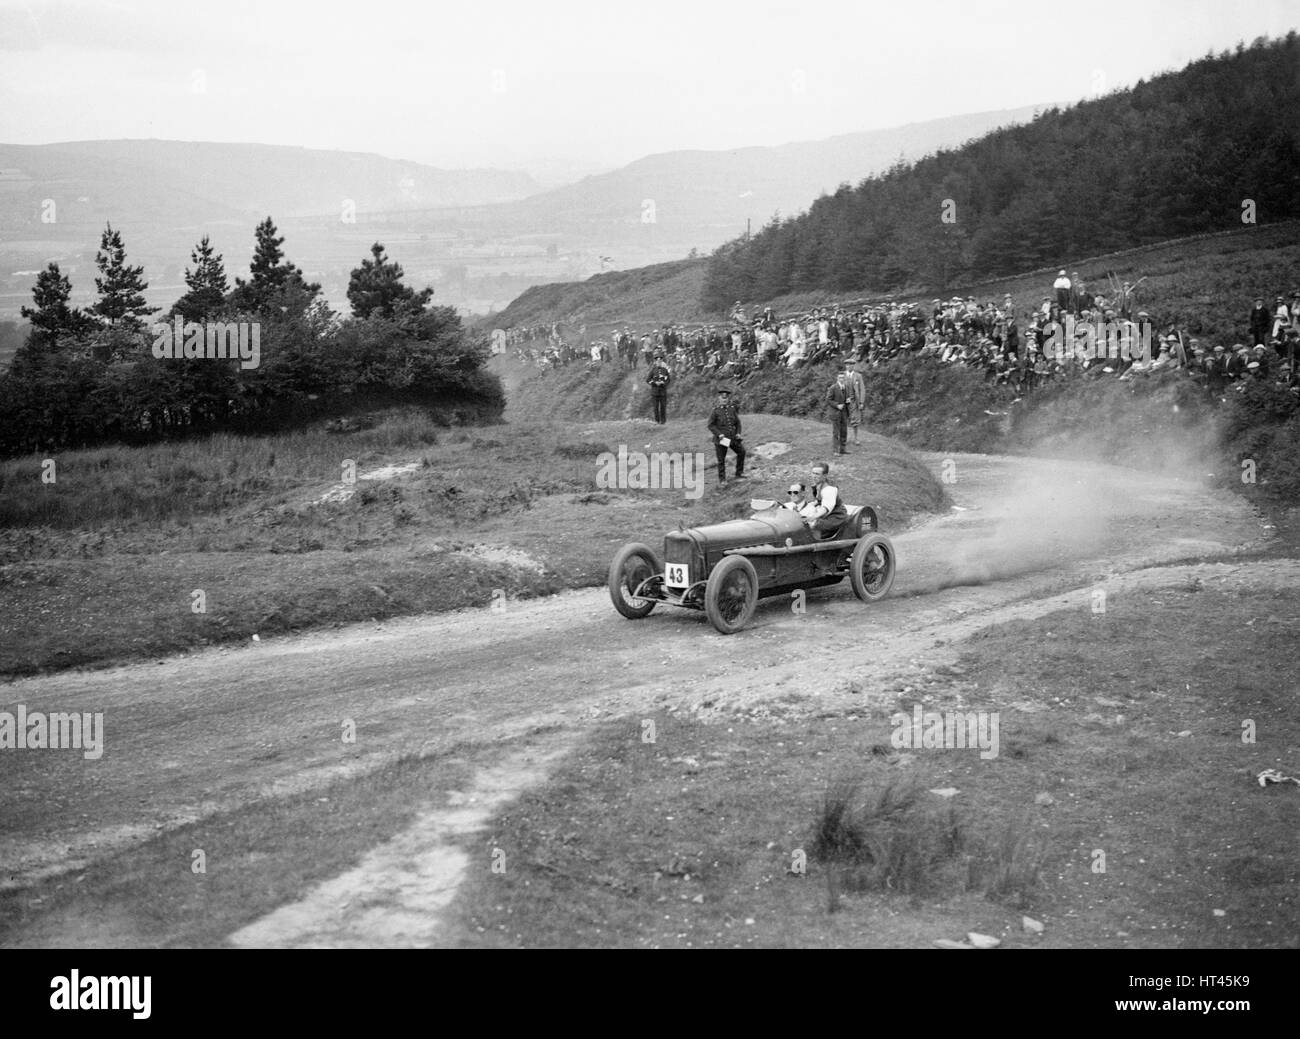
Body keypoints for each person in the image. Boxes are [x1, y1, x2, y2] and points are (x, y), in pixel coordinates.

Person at [706, 386, 745, 484]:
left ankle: (739, 473)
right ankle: (722, 479)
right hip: (721, 440)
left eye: (726, 398)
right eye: (722, 398)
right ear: (719, 399)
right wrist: (719, 434)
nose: (724, 400)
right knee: (721, 460)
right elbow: (710, 425)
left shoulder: (732, 409)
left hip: (732, 438)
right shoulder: (715, 411)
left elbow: (738, 423)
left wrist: (738, 433)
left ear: (728, 399)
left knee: (742, 452)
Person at [804, 461, 846, 538]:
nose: (814, 476)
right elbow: (819, 499)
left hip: (836, 516)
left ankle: (815, 545)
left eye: (817, 474)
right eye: (813, 473)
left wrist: (813, 517)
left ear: (824, 476)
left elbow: (826, 508)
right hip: (826, 514)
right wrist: (812, 504)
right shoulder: (818, 484)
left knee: (814, 524)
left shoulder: (829, 489)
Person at [826, 370, 851, 455]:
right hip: (835, 413)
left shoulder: (846, 387)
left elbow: (846, 399)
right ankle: (835, 451)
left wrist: (848, 401)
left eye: (843, 377)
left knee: (844, 431)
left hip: (844, 413)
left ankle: (842, 449)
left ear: (845, 378)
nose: (842, 379)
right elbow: (828, 399)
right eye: (840, 377)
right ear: (837, 378)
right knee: (836, 432)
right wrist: (837, 405)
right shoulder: (833, 387)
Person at [844, 362, 867, 445]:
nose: (849, 366)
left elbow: (862, 389)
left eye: (851, 365)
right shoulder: (842, 375)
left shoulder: (858, 376)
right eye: (847, 365)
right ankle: (844, 438)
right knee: (843, 420)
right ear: (845, 366)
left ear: (853, 366)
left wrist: (861, 402)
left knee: (855, 420)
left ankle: (856, 438)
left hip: (854, 401)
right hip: (844, 401)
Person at [646, 354, 672, 424]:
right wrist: (654, 383)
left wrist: (664, 383)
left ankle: (663, 421)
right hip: (655, 392)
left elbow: (668, 379)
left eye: (660, 361)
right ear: (655, 362)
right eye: (657, 361)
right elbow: (648, 380)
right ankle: (657, 421)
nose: (659, 362)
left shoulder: (665, 370)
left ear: (662, 362)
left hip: (663, 391)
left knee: (663, 407)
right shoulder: (652, 370)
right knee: (655, 407)